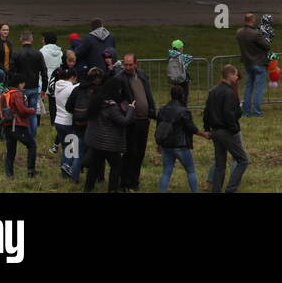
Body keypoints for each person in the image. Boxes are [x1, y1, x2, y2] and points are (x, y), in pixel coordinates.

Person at [82, 74, 135, 192]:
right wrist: (131, 109)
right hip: (110, 145)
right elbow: (124, 121)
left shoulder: (96, 102)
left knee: (94, 167)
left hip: (96, 143)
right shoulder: (111, 107)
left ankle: (88, 188)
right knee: (116, 167)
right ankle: (112, 189)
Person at [204, 64, 249, 192]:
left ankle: (216, 189)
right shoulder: (229, 93)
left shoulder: (213, 91)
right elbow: (229, 114)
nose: (236, 77)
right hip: (226, 132)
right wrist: (234, 129)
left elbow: (206, 112)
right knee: (242, 160)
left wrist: (207, 129)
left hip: (215, 131)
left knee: (220, 164)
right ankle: (231, 189)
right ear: (229, 75)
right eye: (235, 75)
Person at [157, 84, 210, 193]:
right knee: (190, 171)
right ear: (182, 96)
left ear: (171, 95)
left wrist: (159, 144)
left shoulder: (162, 109)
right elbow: (191, 127)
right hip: (180, 145)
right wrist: (203, 134)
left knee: (166, 172)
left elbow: (159, 128)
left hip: (166, 145)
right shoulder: (183, 111)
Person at [119, 53, 155, 192]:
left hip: (144, 120)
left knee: (140, 152)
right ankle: (124, 181)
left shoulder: (142, 76)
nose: (127, 67)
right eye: (125, 64)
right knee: (129, 152)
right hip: (131, 121)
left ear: (135, 64)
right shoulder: (120, 78)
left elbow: (148, 94)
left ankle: (135, 180)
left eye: (130, 64)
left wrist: (152, 110)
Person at [10, 30, 48, 145]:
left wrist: (13, 85)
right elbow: (44, 71)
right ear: (31, 40)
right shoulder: (38, 54)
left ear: (21, 40)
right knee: (32, 112)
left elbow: (11, 71)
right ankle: (33, 136)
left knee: (20, 111)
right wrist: (44, 88)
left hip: (20, 88)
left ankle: (21, 134)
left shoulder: (16, 54)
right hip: (34, 86)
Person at [0, 76, 37, 179]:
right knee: (32, 145)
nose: (24, 86)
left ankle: (9, 174)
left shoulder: (6, 93)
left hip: (7, 126)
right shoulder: (17, 94)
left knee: (10, 151)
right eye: (23, 83)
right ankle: (31, 171)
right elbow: (22, 110)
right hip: (18, 125)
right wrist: (32, 110)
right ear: (19, 84)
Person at [235, 13, 271, 117]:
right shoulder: (256, 34)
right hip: (259, 63)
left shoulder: (239, 32)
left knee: (248, 87)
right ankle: (257, 112)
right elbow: (266, 45)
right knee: (259, 89)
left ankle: (246, 112)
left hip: (247, 63)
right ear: (252, 20)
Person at [50, 66, 78, 180]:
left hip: (58, 121)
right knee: (71, 149)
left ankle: (64, 174)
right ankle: (68, 170)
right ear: (72, 77)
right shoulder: (71, 89)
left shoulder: (58, 87)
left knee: (65, 148)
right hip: (68, 122)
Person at [166, 39, 196, 107]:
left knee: (175, 97)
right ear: (180, 48)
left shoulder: (170, 56)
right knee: (183, 98)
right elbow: (190, 57)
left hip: (174, 80)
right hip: (182, 81)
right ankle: (183, 111)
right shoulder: (181, 57)